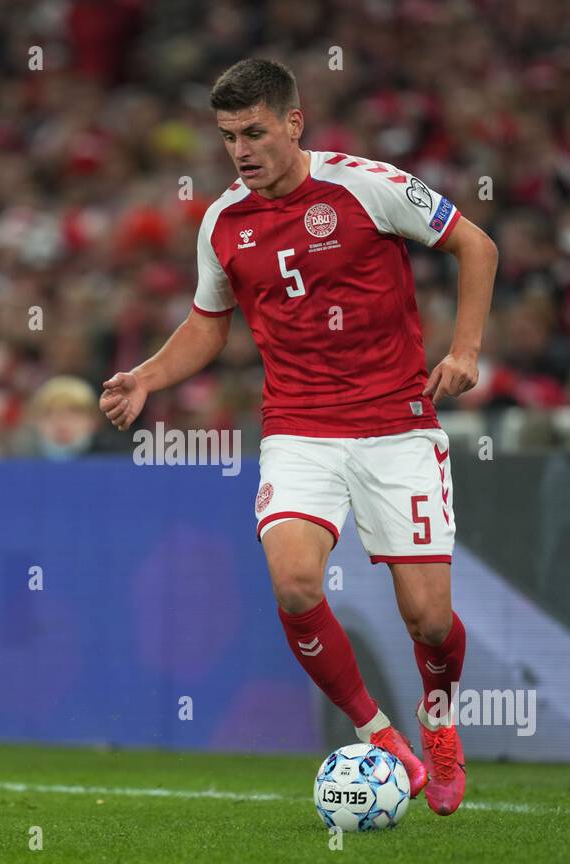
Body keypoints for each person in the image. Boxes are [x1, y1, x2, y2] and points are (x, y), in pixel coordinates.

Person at [100, 58, 498, 816]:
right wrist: (149, 376)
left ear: (293, 122)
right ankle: (379, 734)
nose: (241, 151)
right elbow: (208, 323)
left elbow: (476, 245)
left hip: (396, 425)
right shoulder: (222, 222)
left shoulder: (366, 185)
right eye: (227, 137)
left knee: (431, 620)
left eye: (254, 132)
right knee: (293, 583)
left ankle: (438, 720)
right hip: (300, 428)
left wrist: (466, 349)